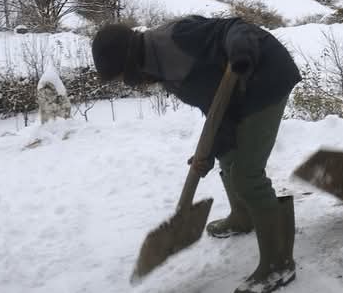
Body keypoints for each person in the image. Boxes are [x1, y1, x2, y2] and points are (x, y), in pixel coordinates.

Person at [91, 16, 301, 293]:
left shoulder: (175, 38)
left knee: (247, 175)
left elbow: (233, 27)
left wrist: (240, 50)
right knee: (228, 155)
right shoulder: (158, 68)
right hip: (237, 97)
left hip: (265, 77)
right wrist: (209, 152)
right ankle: (243, 216)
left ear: (127, 62)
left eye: (120, 76)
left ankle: (278, 264)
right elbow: (214, 106)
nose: (126, 83)